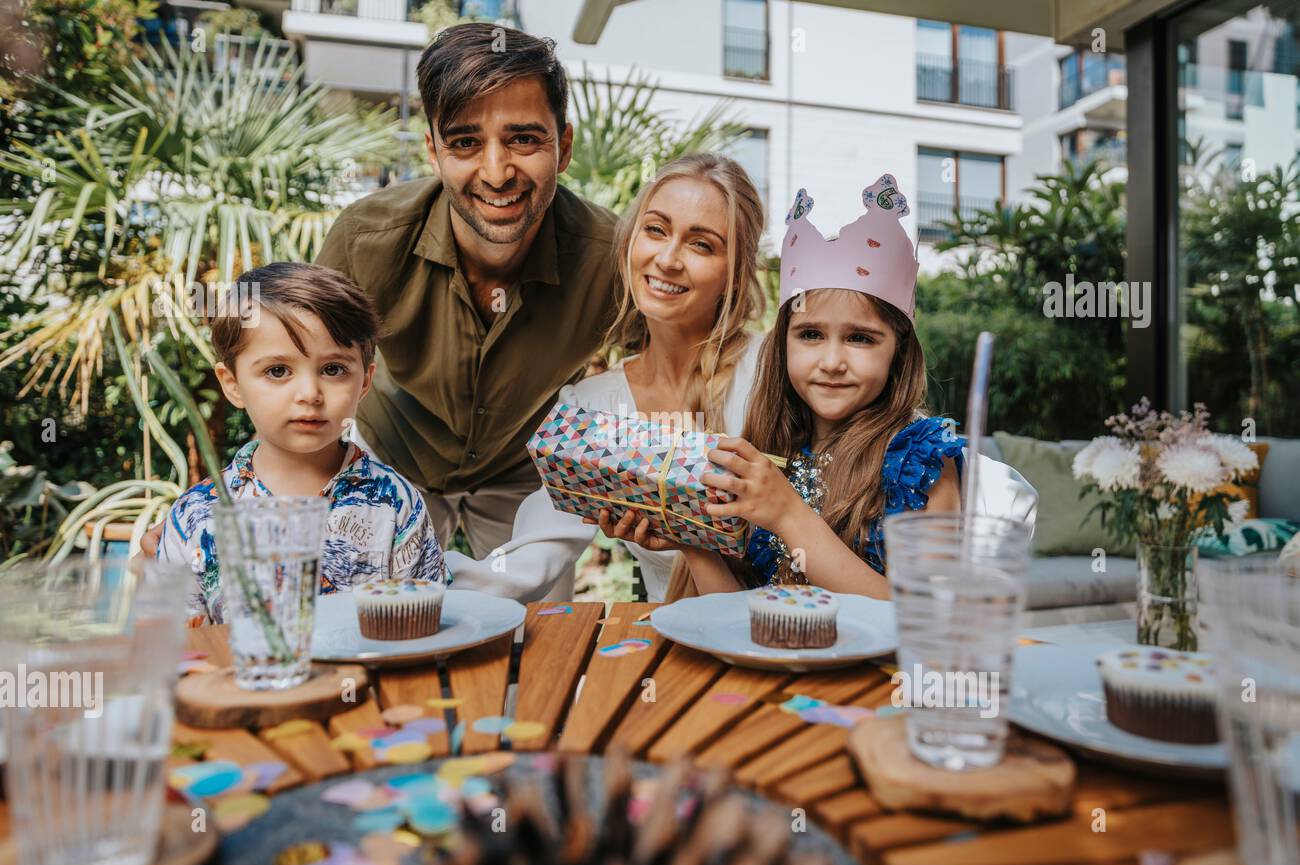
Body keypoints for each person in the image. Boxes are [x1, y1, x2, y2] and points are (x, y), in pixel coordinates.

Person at [610, 176, 1035, 599]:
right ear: (782, 347)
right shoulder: (775, 450)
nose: (832, 362)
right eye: (811, 335)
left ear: (898, 354)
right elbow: (737, 614)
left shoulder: (920, 464)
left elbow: (922, 617)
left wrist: (788, 514)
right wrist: (693, 540)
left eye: (860, 338)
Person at [313, 23, 619, 574]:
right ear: (433, 150)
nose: (497, 172)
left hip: (523, 471)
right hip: (389, 456)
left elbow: (680, 365)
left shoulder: (612, 257)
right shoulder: (364, 240)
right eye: (465, 142)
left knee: (534, 640)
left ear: (564, 146)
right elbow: (307, 369)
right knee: (369, 631)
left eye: (524, 139)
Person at [443, 153, 768, 603]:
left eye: (701, 245)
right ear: (630, 242)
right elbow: (531, 558)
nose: (668, 259)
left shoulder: (772, 372)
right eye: (656, 230)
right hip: (674, 651)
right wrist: (415, 583)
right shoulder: (593, 408)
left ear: (735, 273)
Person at [155, 263, 446, 626]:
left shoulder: (397, 504)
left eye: (334, 369)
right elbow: (179, 647)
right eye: (278, 371)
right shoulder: (194, 516)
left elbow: (424, 626)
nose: (309, 394)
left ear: (366, 380)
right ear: (232, 384)